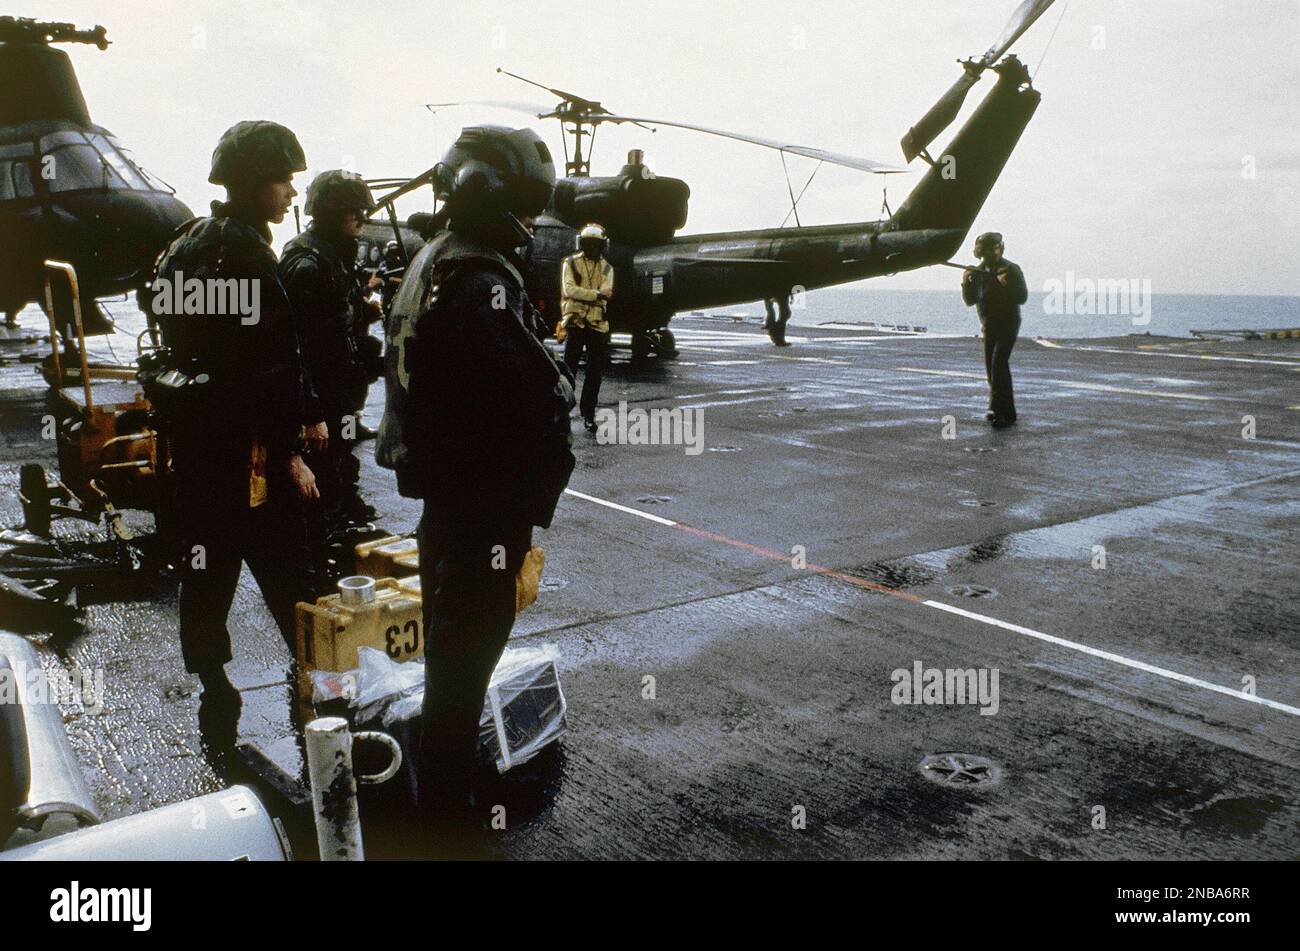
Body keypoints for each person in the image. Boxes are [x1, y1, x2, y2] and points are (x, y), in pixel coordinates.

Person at [376, 125, 574, 854]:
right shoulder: (481, 280)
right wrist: (535, 498)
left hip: (448, 504)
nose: (528, 226)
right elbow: (533, 397)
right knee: (463, 668)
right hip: (484, 508)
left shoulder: (432, 259)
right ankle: (446, 822)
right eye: (520, 209)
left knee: (450, 660)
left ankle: (440, 798)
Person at [149, 120, 317, 726]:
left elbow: (171, 338)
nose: (291, 194)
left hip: (195, 447)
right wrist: (289, 452)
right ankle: (313, 674)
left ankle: (214, 682)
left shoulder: (184, 242)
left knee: (204, 568)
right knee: (290, 569)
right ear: (251, 183)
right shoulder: (247, 253)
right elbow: (270, 368)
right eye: (282, 181)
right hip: (248, 455)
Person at [280, 169, 381, 526]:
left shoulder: (334, 259)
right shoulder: (308, 266)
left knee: (343, 451)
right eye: (355, 209)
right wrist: (309, 414)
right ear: (332, 212)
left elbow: (341, 323)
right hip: (321, 396)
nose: (362, 218)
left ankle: (342, 507)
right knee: (322, 466)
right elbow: (294, 348)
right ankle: (324, 531)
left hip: (342, 395)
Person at [962, 232, 1027, 427]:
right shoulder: (978, 272)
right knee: (992, 369)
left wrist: (1005, 284)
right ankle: (1008, 411)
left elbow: (1022, 297)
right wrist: (966, 281)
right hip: (989, 325)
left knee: (998, 364)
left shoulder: (1011, 270)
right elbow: (969, 300)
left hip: (1008, 323)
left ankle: (996, 409)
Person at [560, 223, 613, 432]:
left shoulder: (607, 268)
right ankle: (563, 412)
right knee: (568, 369)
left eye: (595, 244)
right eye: (588, 244)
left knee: (595, 372)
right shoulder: (570, 263)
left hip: (597, 324)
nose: (592, 248)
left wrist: (588, 295)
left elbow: (607, 292)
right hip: (575, 322)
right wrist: (595, 295)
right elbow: (568, 289)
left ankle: (588, 414)